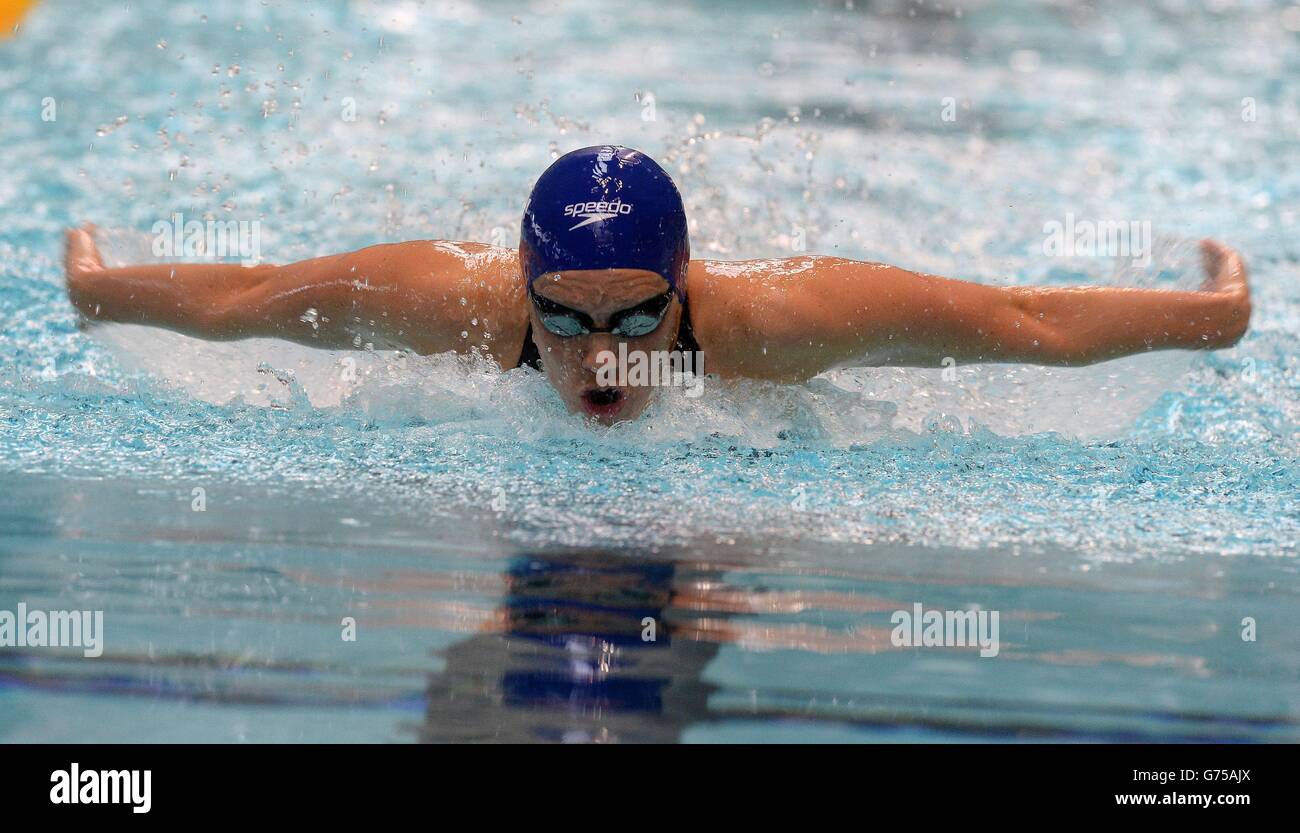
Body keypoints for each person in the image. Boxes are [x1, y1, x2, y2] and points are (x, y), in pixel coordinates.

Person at [64, 144, 1251, 425]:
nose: (602, 354)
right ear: (523, 291)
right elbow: (244, 299)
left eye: (638, 314)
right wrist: (99, 290)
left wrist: (1215, 316)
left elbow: (1024, 322)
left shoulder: (772, 326)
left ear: (682, 286)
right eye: (564, 320)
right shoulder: (456, 309)